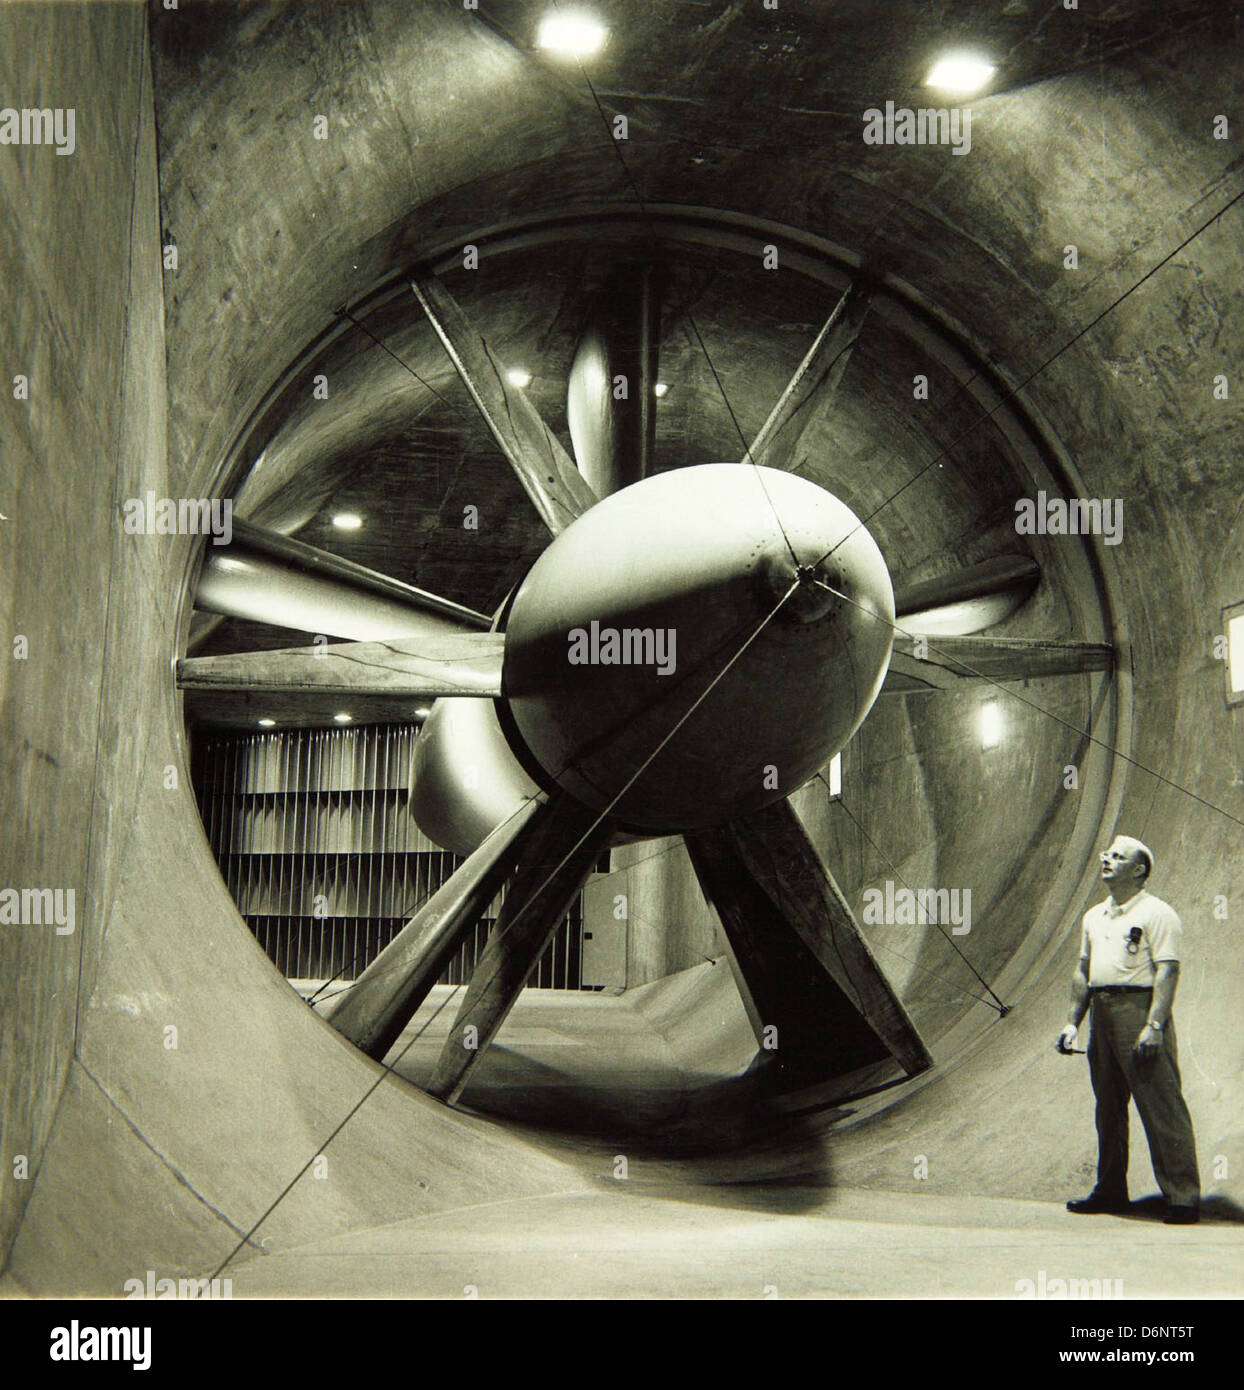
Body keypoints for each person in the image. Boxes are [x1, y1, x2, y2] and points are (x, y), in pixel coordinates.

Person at [1056, 835, 1201, 1224]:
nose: (1106, 859)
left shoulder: (1158, 913)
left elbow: (1168, 971)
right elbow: (1083, 971)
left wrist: (1154, 1025)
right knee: (1108, 1108)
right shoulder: (1093, 916)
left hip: (1139, 1010)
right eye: (1107, 853)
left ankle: (1183, 1197)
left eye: (1117, 857)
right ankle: (1110, 1191)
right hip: (1101, 1012)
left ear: (1138, 870)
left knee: (1161, 1105)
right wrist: (1073, 1021)